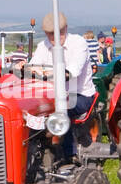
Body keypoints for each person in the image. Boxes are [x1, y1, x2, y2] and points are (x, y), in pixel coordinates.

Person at [28, 12, 97, 157]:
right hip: (50, 96)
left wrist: (46, 73)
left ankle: (68, 155)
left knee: (62, 108)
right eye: (50, 34)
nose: (54, 38)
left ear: (65, 28)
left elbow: (72, 72)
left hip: (79, 95)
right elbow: (32, 68)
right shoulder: (43, 46)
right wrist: (26, 68)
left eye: (58, 33)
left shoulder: (78, 43)